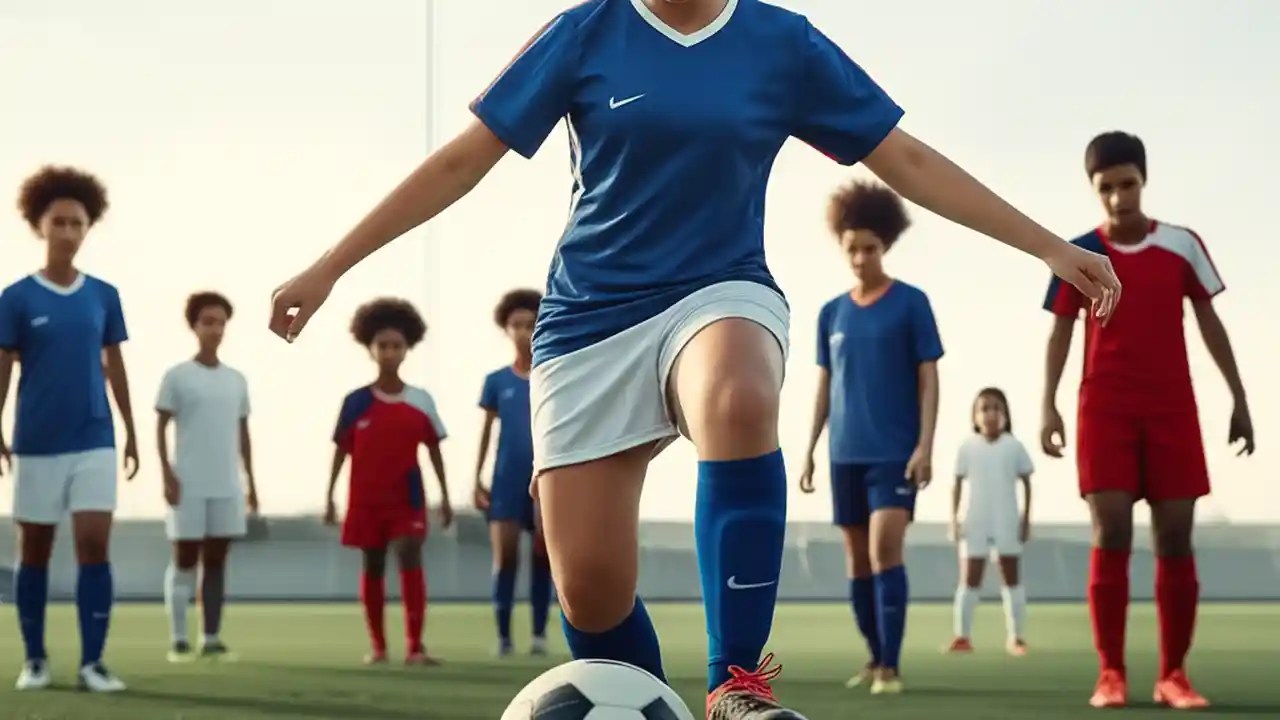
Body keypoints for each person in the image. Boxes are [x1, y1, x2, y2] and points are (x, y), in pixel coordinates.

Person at [268, 1, 1120, 715]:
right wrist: (330, 266)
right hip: (588, 323)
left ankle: (736, 686)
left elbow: (907, 158)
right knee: (590, 595)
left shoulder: (780, 41)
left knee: (741, 392)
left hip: (721, 292)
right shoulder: (587, 30)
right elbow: (461, 159)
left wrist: (1046, 245)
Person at [1041, 131, 1253, 710]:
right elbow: (1060, 332)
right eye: (1105, 187)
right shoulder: (1078, 250)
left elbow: (1210, 323)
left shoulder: (1183, 246)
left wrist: (1239, 397)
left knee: (1175, 536)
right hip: (1103, 408)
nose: (1117, 197)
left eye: (1126, 184)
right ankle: (1111, 672)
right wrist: (1048, 404)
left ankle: (1173, 675)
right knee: (1109, 531)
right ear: (1094, 190)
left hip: (1172, 408)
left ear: (1143, 180)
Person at [798, 181, 941, 695]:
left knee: (885, 551)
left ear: (886, 246)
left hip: (895, 454)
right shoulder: (830, 313)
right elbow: (824, 385)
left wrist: (925, 445)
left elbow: (929, 378)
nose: (860, 257)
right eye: (852, 248)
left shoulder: (911, 304)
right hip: (843, 454)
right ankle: (874, 657)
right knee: (856, 562)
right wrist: (811, 449)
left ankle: (892, 666)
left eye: (870, 248)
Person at [0, 166, 139, 692]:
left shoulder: (103, 295)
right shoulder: (15, 298)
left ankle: (92, 663)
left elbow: (115, 364)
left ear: (87, 228)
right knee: (34, 549)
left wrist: (129, 429)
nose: (67, 232)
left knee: (93, 546)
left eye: (76, 223)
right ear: (39, 226)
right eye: (57, 222)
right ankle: (35, 659)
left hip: (94, 440)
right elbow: (4, 367)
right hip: (35, 442)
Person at [327, 298, 453, 665]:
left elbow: (434, 450)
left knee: (409, 554)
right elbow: (340, 451)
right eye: (382, 345)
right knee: (374, 564)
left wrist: (445, 496)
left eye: (396, 345)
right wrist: (329, 496)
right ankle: (379, 647)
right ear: (370, 349)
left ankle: (415, 647)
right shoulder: (355, 403)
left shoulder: (420, 401)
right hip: (365, 499)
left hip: (407, 497)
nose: (389, 352)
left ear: (406, 349)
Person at [156, 291, 258, 662]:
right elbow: (161, 425)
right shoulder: (178, 377)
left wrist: (251, 483)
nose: (215, 329)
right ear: (194, 326)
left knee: (217, 561)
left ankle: (211, 637)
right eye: (208, 322)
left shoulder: (236, 380)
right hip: (188, 482)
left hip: (227, 483)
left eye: (220, 322)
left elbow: (243, 433)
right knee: (185, 558)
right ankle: (179, 638)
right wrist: (166, 474)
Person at [473, 289, 553, 657]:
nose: (523, 332)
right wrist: (477, 477)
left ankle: (539, 635)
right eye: (516, 325)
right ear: (506, 329)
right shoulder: (495, 381)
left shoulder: (553, 374)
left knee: (543, 556)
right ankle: (503, 637)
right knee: (505, 558)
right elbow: (488, 432)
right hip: (505, 479)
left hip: (548, 479)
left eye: (530, 324)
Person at [946, 387, 1032, 657]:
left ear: (1005, 414)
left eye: (996, 408)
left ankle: (1016, 637)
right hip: (975, 519)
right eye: (985, 408)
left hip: (1006, 517)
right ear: (975, 415)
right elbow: (957, 484)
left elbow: (1026, 482)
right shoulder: (967, 447)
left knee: (1010, 577)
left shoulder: (1014, 446)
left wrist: (1025, 518)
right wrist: (954, 519)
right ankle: (962, 636)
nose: (991, 414)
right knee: (969, 578)